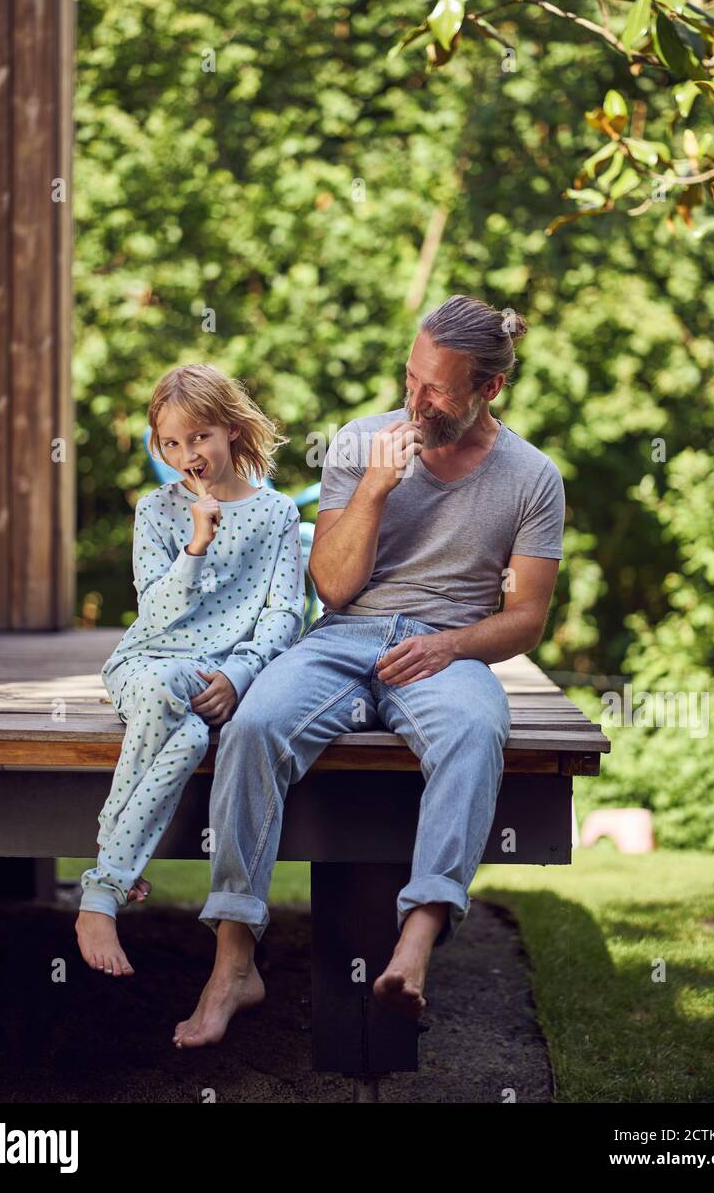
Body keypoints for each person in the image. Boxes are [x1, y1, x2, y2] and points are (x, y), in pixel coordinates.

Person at [173, 295, 566, 1048]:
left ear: (489, 389)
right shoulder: (360, 443)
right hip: (343, 637)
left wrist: (450, 647)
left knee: (477, 730)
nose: (414, 401)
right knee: (253, 724)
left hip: (442, 650)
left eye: (437, 390)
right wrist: (377, 490)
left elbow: (526, 618)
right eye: (410, 378)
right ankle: (233, 962)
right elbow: (330, 585)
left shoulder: (532, 478)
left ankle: (415, 943)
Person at [75, 364, 306, 980]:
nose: (187, 456)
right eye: (171, 444)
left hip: (213, 677)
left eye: (199, 437)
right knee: (159, 693)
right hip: (145, 663)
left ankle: (106, 871)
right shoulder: (156, 510)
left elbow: (286, 615)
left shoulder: (277, 515)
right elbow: (152, 612)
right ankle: (103, 889)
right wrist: (195, 546)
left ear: (231, 430)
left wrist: (242, 675)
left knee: (195, 734)